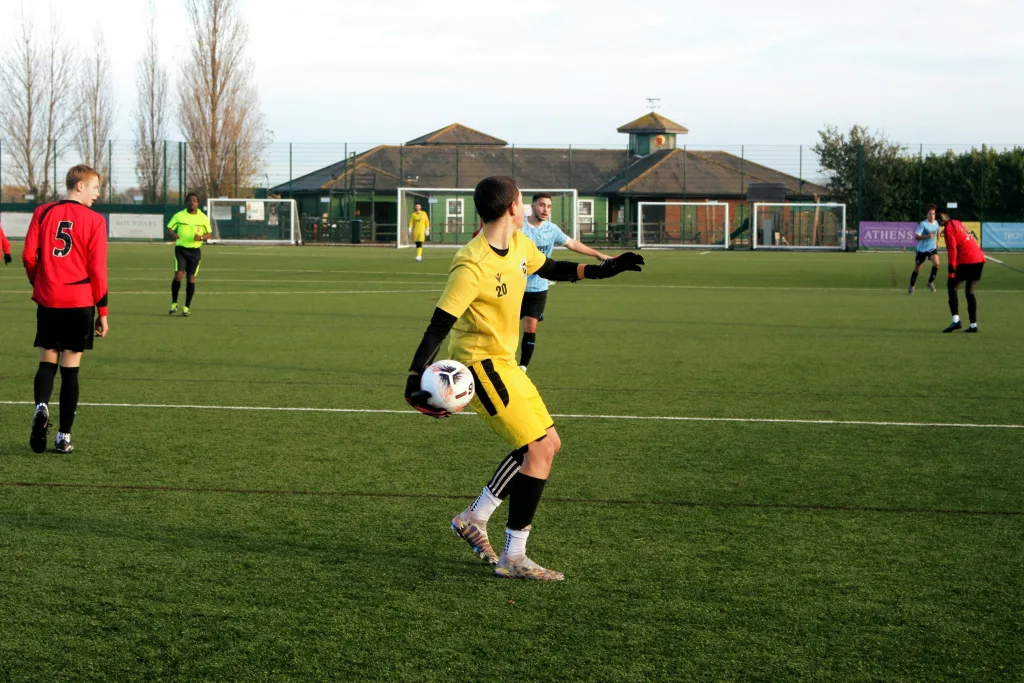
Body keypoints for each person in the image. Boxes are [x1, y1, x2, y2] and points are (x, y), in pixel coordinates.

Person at [404, 176, 644, 581]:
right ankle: (513, 556)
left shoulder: (519, 244)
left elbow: (550, 268)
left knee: (548, 444)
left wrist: (603, 270)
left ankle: (474, 517)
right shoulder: (471, 263)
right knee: (536, 450)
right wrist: (414, 379)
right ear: (513, 207)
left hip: (506, 363)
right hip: (480, 366)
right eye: (520, 201)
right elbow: (439, 325)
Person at [22, 164, 109, 454]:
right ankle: (63, 437)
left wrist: (40, 283)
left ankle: (41, 406)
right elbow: (97, 269)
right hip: (79, 302)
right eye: (95, 186)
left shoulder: (43, 212)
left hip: (49, 300)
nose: (98, 193)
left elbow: (28, 256)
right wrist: (103, 311)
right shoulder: (95, 221)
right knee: (70, 373)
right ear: (80, 186)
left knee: (47, 363)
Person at [519, 193, 612, 371]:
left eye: (549, 206)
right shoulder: (518, 227)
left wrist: (598, 254)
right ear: (532, 206)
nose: (545, 209)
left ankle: (523, 366)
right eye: (541, 205)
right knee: (505, 326)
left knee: (531, 325)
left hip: (538, 286)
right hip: (516, 285)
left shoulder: (552, 229)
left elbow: (573, 244)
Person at [939, 209, 985, 333]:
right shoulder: (958, 222)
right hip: (978, 258)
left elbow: (952, 249)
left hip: (967, 259)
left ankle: (956, 321)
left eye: (940, 217)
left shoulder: (949, 228)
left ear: (946, 216)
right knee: (970, 292)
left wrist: (951, 268)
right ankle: (973, 325)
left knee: (952, 287)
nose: (938, 220)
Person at [166, 192, 211, 316]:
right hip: (181, 250)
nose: (192, 202)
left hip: (195, 252)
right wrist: (173, 234)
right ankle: (174, 303)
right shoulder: (179, 216)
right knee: (178, 276)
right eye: (190, 200)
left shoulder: (202, 217)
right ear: (187, 202)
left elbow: (209, 234)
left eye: (195, 200)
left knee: (191, 278)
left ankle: (186, 307)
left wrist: (201, 238)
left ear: (198, 203)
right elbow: (169, 227)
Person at [908, 204, 941, 294]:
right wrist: (927, 236)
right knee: (917, 268)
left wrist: (938, 241)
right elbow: (916, 237)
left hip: (931, 248)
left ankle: (930, 282)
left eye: (933, 214)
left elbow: (938, 231)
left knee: (937, 264)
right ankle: (912, 286)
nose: (932, 216)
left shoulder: (937, 223)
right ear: (927, 215)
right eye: (930, 214)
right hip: (922, 249)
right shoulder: (923, 224)